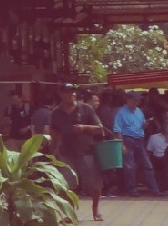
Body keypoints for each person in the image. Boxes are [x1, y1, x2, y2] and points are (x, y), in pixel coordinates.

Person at [54, 89, 106, 219]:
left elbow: (100, 128)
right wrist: (52, 151)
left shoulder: (86, 109)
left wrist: (84, 128)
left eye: (73, 93)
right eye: (67, 92)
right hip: (65, 152)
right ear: (61, 94)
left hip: (85, 151)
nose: (71, 95)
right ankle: (69, 214)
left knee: (94, 184)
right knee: (66, 185)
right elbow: (54, 133)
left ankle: (96, 210)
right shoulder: (56, 112)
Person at [110, 90, 159, 195]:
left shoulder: (139, 111)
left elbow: (141, 125)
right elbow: (117, 130)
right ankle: (131, 190)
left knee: (147, 165)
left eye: (138, 100)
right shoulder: (121, 113)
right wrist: (122, 144)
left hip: (139, 139)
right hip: (128, 139)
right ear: (128, 100)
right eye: (135, 100)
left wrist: (146, 124)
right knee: (130, 166)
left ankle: (154, 189)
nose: (137, 102)